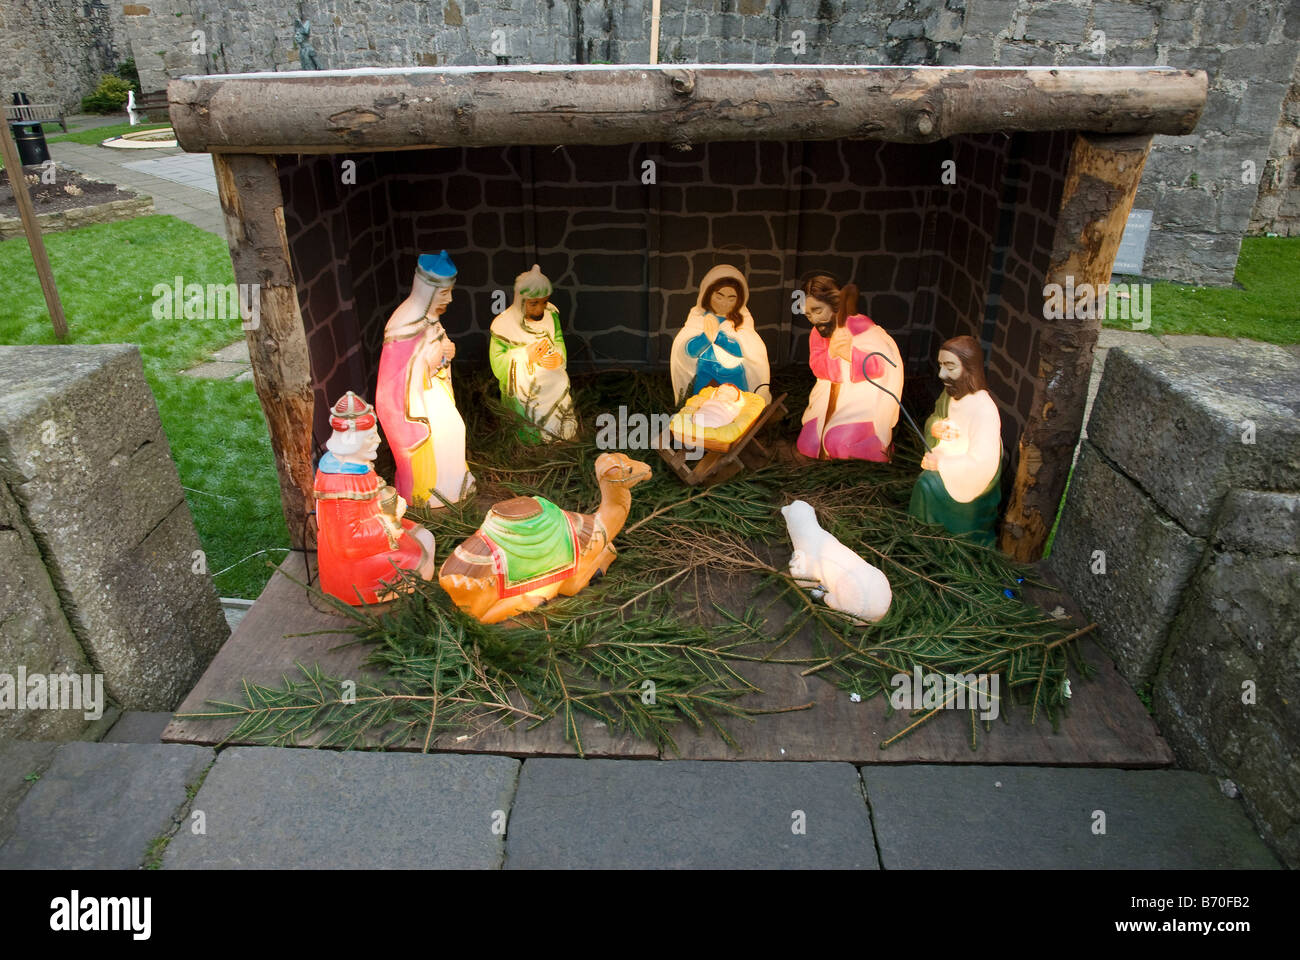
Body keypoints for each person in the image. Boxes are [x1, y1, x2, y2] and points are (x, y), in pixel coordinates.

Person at [314, 392, 436, 604]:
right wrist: (391, 519)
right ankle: (378, 596)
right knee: (422, 563)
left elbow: (369, 498)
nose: (378, 441)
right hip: (354, 562)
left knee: (425, 536)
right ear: (353, 440)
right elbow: (348, 543)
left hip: (376, 532)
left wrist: (389, 504)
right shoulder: (338, 485)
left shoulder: (356, 466)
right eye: (371, 437)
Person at [375, 250, 475, 507]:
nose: (450, 299)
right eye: (444, 294)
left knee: (455, 429)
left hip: (433, 391)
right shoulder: (404, 326)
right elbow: (396, 379)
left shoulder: (429, 320)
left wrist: (446, 354)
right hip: (414, 404)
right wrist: (428, 362)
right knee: (441, 435)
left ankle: (453, 487)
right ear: (426, 292)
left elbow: (437, 351)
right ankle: (429, 494)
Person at [907, 335, 1003, 548]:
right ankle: (920, 537)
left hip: (968, 479)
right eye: (941, 365)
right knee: (926, 481)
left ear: (970, 368)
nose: (942, 374)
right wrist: (936, 427)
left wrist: (941, 465)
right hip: (947, 460)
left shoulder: (984, 409)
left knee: (927, 484)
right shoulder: (949, 395)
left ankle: (931, 541)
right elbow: (935, 418)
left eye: (950, 367)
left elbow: (982, 464)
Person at [797, 275, 903, 462]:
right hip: (828, 398)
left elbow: (880, 367)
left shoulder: (864, 329)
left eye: (817, 310)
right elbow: (818, 366)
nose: (813, 319)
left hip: (861, 404)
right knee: (808, 445)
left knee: (839, 445)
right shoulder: (817, 333)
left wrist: (849, 353)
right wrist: (833, 355)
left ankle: (876, 445)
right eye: (808, 314)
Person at [489, 264, 578, 443]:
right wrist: (526, 356)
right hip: (523, 379)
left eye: (544, 302)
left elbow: (558, 339)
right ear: (521, 300)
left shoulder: (551, 314)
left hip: (550, 373)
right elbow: (497, 362)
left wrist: (558, 357)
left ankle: (561, 434)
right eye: (534, 303)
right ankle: (532, 438)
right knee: (532, 394)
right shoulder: (502, 325)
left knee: (560, 380)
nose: (540, 309)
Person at [670, 264, 771, 405]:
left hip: (733, 377)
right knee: (702, 407)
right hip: (705, 374)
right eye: (719, 296)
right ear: (708, 293)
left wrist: (719, 338)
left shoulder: (743, 321)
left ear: (739, 300)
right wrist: (706, 338)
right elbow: (689, 351)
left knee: (735, 408)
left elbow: (748, 351)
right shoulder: (698, 318)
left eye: (731, 298)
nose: (724, 303)